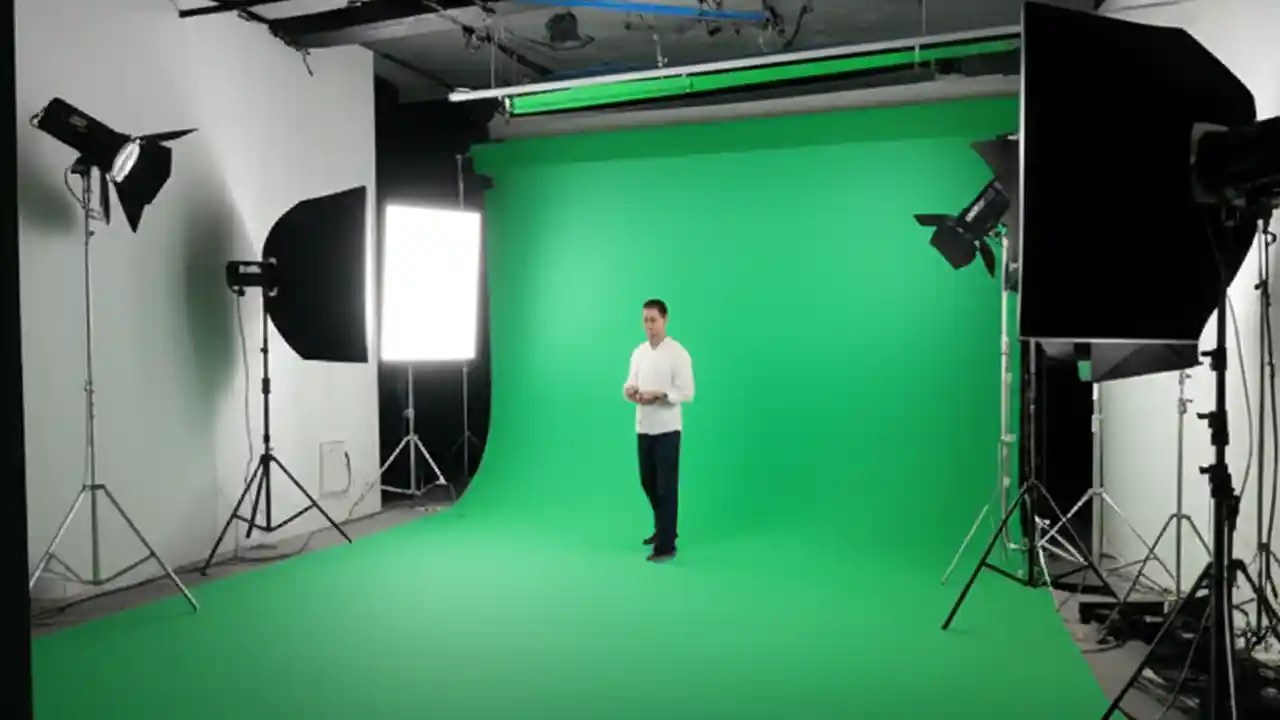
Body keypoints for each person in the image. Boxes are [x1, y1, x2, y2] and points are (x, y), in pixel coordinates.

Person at [623, 298, 695, 562]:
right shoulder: (639, 352)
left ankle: (666, 546)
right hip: (644, 427)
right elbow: (630, 382)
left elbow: (687, 391)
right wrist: (630, 392)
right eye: (645, 320)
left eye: (654, 320)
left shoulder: (678, 353)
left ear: (665, 320)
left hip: (667, 429)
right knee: (648, 481)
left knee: (667, 486)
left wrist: (660, 395)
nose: (649, 326)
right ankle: (665, 528)